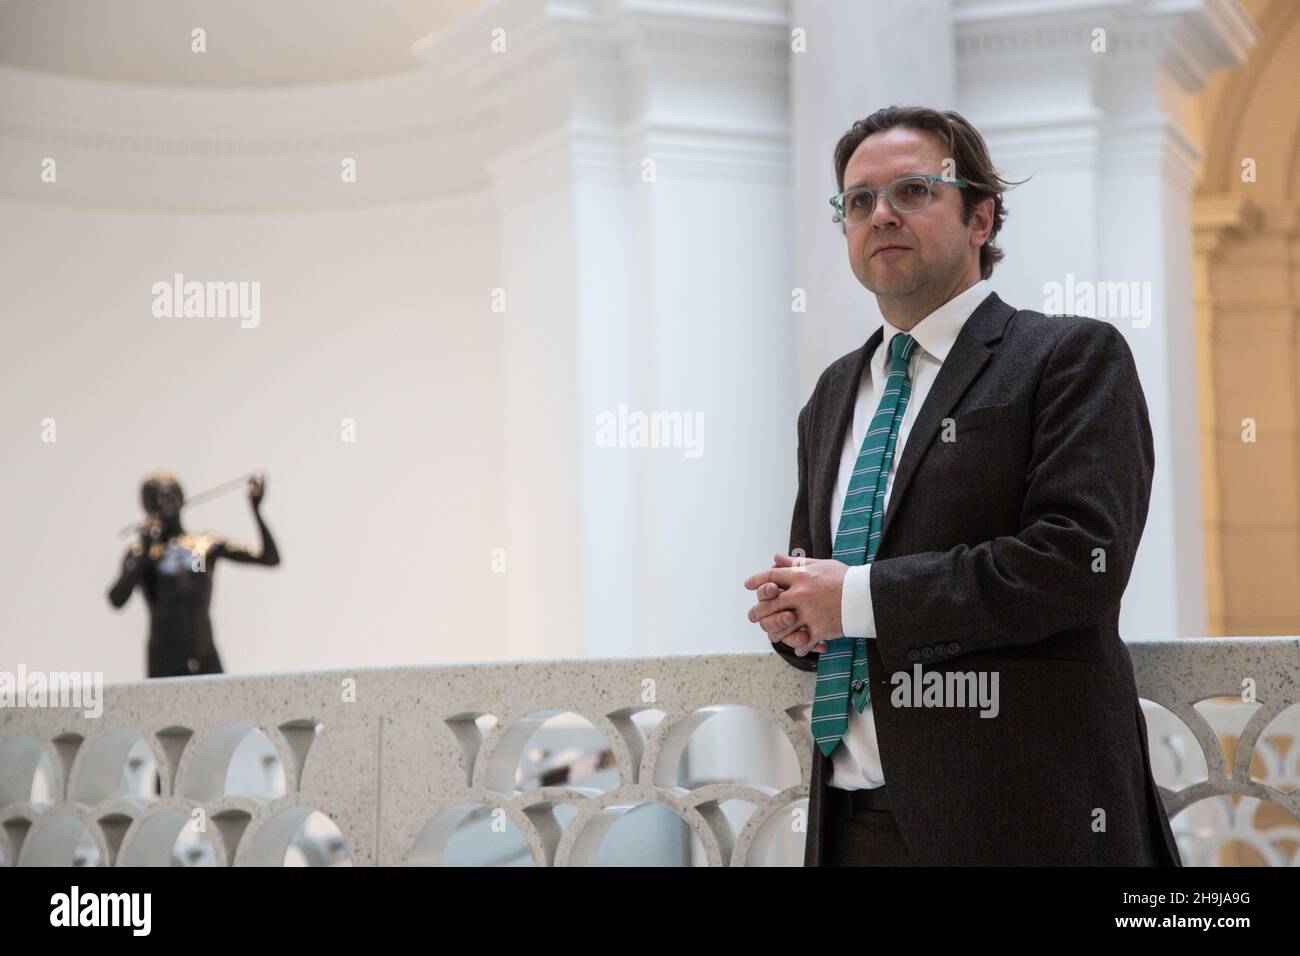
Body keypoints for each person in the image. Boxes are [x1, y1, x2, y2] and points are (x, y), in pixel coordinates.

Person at [742, 105, 1181, 866]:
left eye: (913, 191)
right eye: (857, 201)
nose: (880, 214)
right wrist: (802, 624)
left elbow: (1077, 561)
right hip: (853, 820)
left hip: (1023, 818)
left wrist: (850, 598)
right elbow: (833, 583)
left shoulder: (1068, 357)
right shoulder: (832, 395)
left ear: (980, 218)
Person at [108, 472, 280, 678]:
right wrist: (145, 552)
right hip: (164, 659)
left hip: (204, 653)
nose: (164, 504)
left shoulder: (205, 546)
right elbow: (116, 599)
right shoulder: (144, 554)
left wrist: (256, 510)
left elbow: (269, 558)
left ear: (182, 498)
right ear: (146, 506)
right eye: (156, 499)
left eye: (170, 496)